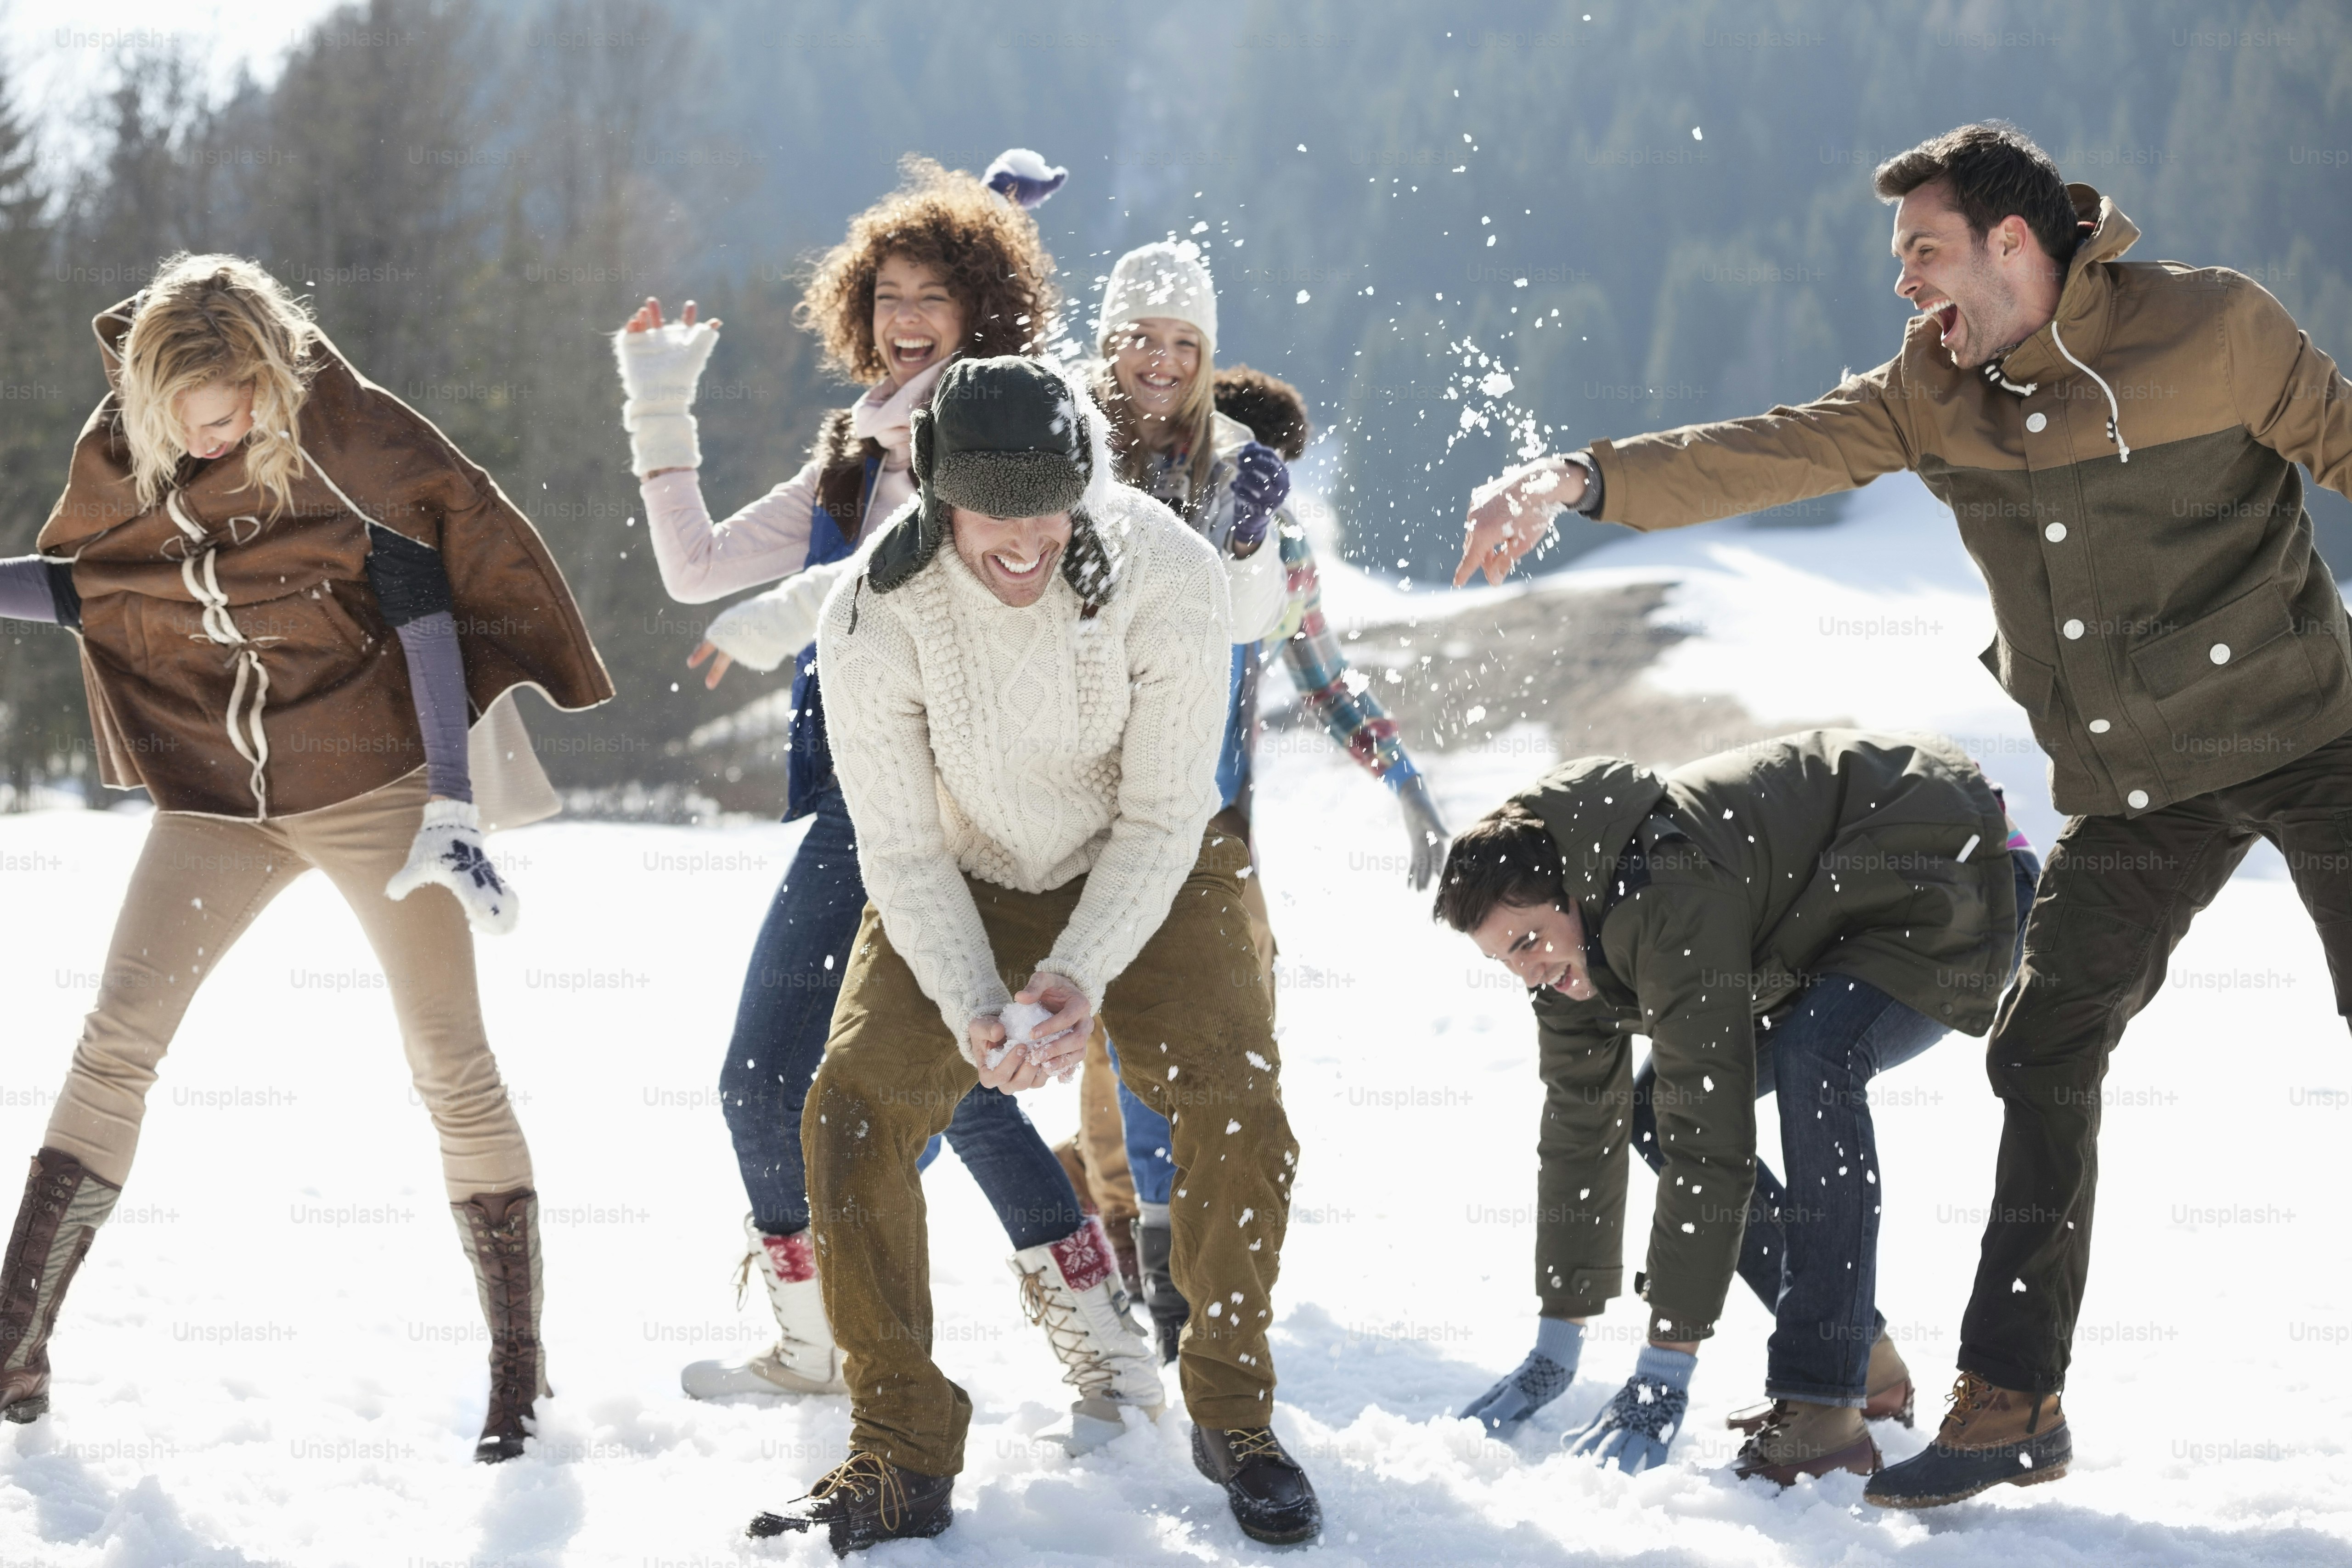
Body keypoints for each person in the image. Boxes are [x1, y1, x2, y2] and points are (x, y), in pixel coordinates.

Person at [1452, 120, 2352, 1506]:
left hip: (2314, 735)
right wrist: (1581, 478)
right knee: (2041, 1051)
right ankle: (2011, 1400)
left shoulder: (2214, 326)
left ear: (2013, 242)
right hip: (2133, 790)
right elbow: (1775, 448)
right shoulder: (1934, 386)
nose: (1904, 280)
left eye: (1923, 250)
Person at [0, 253, 614, 1461]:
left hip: (373, 786)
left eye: (232, 412)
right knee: (117, 1039)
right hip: (219, 799)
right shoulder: (134, 461)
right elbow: (94, 592)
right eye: (190, 421)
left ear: (269, 379)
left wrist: (449, 807)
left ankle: (518, 1370)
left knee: (449, 1060)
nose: (214, 437)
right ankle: (16, 1339)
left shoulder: (351, 453)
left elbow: (428, 619)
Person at [609, 155, 1159, 1445]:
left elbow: (917, 570)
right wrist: (659, 406)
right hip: (858, 799)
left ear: (981, 311)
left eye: (935, 294)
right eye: (888, 294)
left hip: (961, 802)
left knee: (799, 1077)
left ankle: (920, 1343)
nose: (907, 315)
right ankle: (1050, 1342)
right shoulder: (854, 455)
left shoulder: (1019, 434)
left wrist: (788, 613)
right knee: (926, 1080)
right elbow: (693, 567)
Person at [750, 355, 1316, 1552]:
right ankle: (900, 1446)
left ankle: (1234, 1412)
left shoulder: (1167, 570)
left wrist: (1076, 976)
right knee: (851, 1106)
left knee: (1236, 1094)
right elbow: (899, 850)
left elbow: (1165, 813)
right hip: (963, 864)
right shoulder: (868, 611)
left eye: (1047, 506)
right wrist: (974, 998)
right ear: (934, 491)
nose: (1022, 540)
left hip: (1153, 855)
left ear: (1086, 479)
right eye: (990, 511)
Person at [1436, 732, 2033, 1483]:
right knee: (1648, 1109)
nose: (1529, 971)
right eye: (1505, 959)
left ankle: (1823, 1403)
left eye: (1529, 941)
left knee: (1817, 1058)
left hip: (1956, 867)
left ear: (1571, 891)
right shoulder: (1572, 950)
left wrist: (1663, 1371)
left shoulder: (1663, 889)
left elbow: (1707, 1137)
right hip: (1841, 918)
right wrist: (1556, 1343)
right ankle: (1864, 1362)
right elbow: (1578, 1129)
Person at [1074, 357, 1450, 1362]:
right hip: (1114, 826)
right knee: (1123, 1037)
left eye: (1277, 475)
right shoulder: (1134, 521)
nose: (1263, 489)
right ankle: (1133, 1237)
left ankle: (1185, 1233)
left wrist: (1403, 778)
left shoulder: (1275, 545)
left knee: (1236, 1027)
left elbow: (1323, 675)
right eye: (1251, 468)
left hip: (1220, 833)